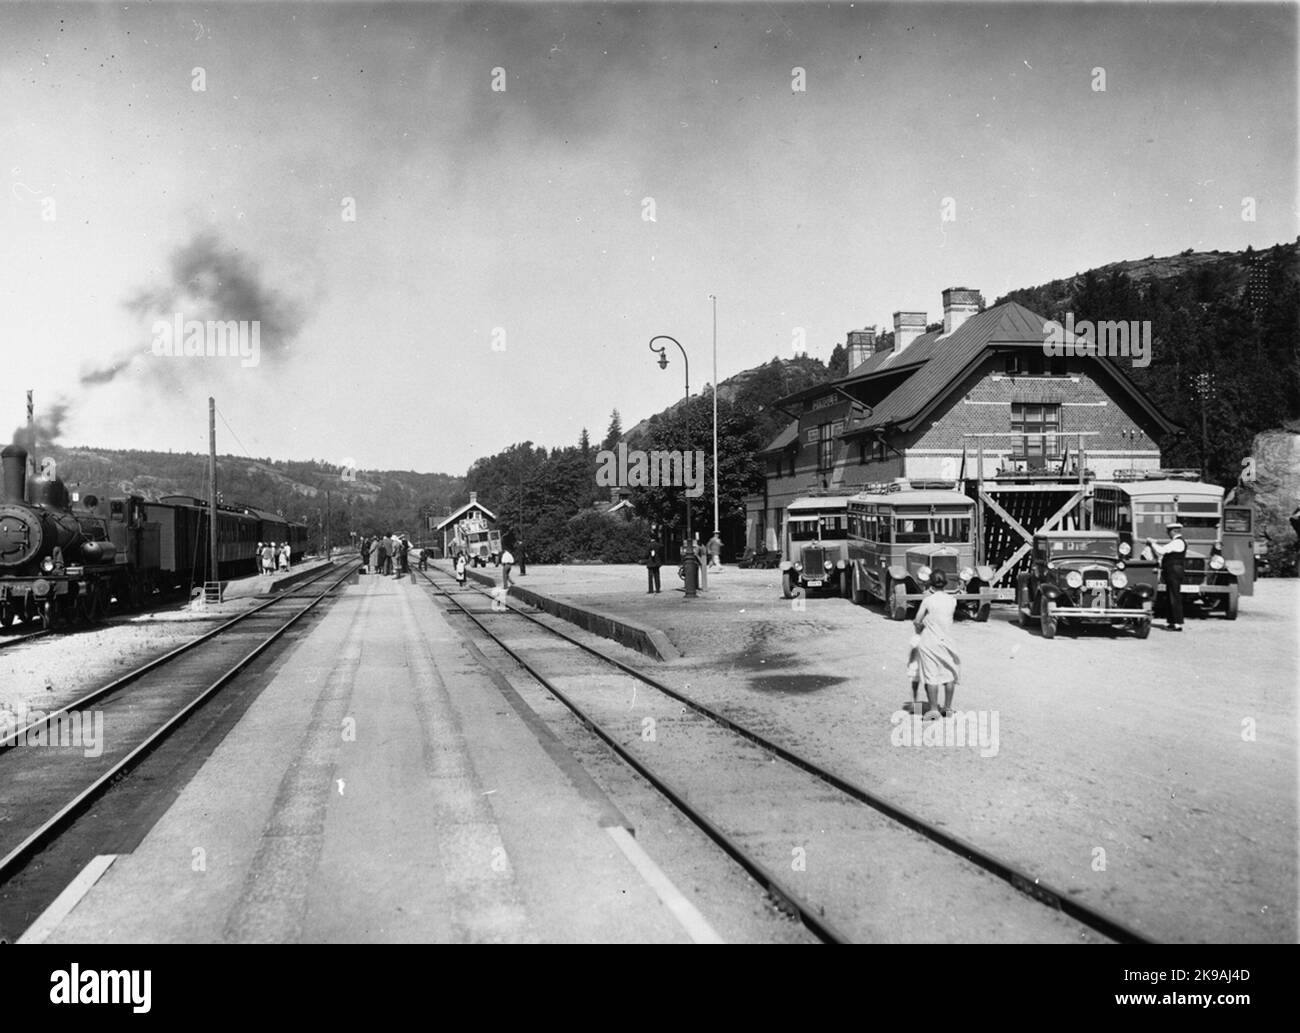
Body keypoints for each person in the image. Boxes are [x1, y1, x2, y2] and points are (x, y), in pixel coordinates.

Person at [912, 570, 961, 719]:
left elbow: (917, 620)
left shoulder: (928, 600)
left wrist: (919, 629)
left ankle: (933, 710)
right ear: (945, 583)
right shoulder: (952, 600)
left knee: (930, 676)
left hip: (929, 642)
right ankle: (947, 709)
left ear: (930, 584)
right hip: (946, 641)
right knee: (949, 675)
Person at [1147, 522, 1188, 631]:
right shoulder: (1177, 542)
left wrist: (1152, 543)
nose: (1167, 534)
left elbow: (1161, 550)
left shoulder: (1177, 542)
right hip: (1173, 571)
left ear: (1173, 531)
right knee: (1171, 596)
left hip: (1174, 571)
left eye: (1168, 532)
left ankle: (1177, 623)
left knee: (1174, 596)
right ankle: (1172, 622)